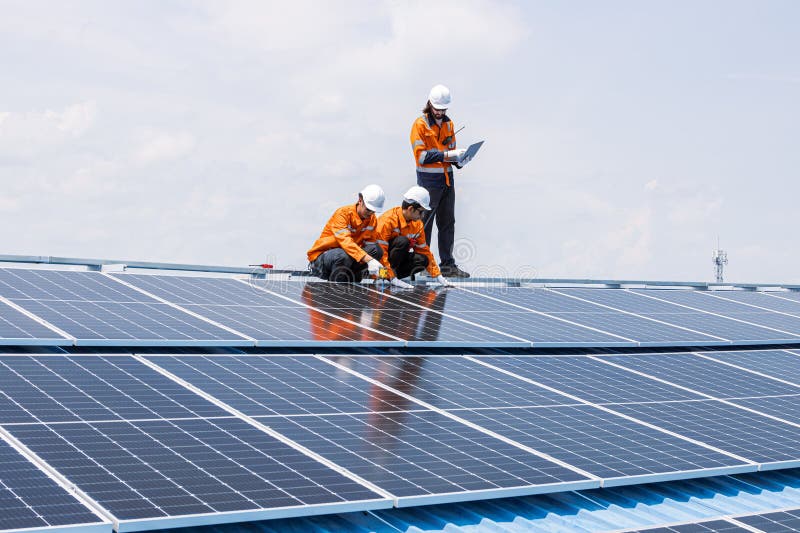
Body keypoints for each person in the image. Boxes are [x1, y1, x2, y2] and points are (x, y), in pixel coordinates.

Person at [409, 84, 472, 278]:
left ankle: (447, 265)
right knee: (425, 225)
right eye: (437, 109)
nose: (440, 112)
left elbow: (451, 156)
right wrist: (447, 154)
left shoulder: (449, 124)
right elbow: (421, 157)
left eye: (443, 109)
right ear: (430, 104)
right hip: (428, 183)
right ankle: (423, 265)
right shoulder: (419, 125)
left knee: (447, 223)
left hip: (446, 181)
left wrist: (461, 159)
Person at [375, 186, 451, 288]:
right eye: (421, 212)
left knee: (423, 260)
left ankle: (394, 276)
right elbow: (381, 254)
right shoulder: (387, 221)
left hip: (394, 265)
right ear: (411, 209)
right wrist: (388, 276)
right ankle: (385, 277)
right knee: (402, 241)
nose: (423, 216)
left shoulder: (417, 224)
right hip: (380, 265)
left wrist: (438, 276)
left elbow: (424, 250)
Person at [307, 184, 386, 283]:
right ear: (360, 200)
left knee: (376, 250)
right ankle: (336, 289)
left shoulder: (372, 220)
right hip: (324, 260)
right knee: (342, 255)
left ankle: (352, 277)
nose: (370, 213)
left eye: (373, 211)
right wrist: (369, 260)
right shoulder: (343, 214)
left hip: (348, 259)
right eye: (368, 209)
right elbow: (345, 242)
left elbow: (371, 245)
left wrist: (385, 275)